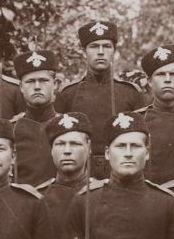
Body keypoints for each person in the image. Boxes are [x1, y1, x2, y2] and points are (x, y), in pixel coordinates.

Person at [57, 18, 146, 175]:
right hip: (81, 172)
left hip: (121, 171)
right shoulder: (68, 94)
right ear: (84, 51)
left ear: (114, 51)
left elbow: (141, 140)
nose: (100, 52)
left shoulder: (130, 93)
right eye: (94, 46)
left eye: (106, 46)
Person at [132, 44, 174, 184]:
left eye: (173, 74)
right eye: (160, 74)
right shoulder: (136, 121)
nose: (167, 79)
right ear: (149, 82)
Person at [8, 47, 63, 186]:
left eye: (43, 80)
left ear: (55, 84)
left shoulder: (68, 128)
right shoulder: (11, 130)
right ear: (21, 87)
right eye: (30, 81)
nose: (37, 86)